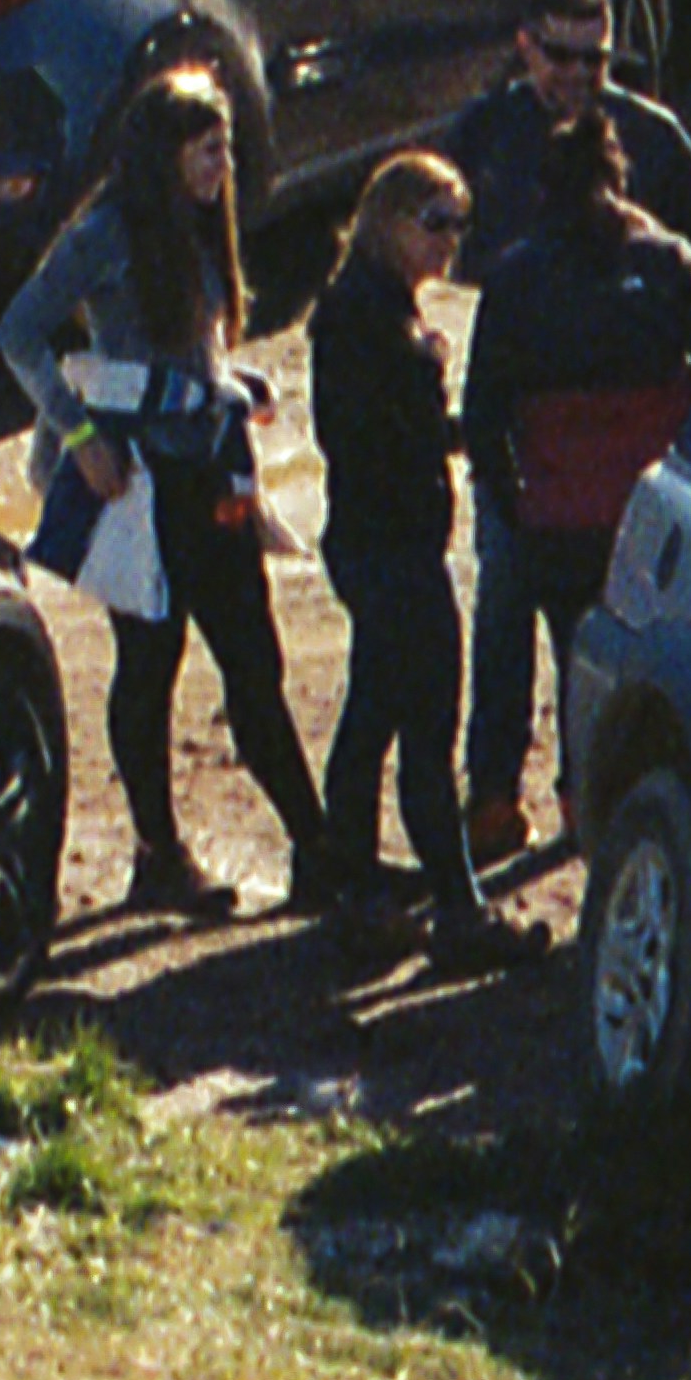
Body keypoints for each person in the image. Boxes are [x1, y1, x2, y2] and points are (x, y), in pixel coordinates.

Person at [0, 46, 342, 918]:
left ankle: (315, 848)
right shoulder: (106, 233)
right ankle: (159, 853)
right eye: (205, 150)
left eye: (223, 149)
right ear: (161, 154)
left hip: (208, 477)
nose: (222, 167)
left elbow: (200, 345)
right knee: (148, 665)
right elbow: (19, 332)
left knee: (252, 661)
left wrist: (228, 391)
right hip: (140, 489)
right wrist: (77, 437)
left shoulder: (200, 224)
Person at [442, 0, 691, 868]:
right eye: (558, 55)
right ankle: (491, 792)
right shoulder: (480, 138)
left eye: (594, 59)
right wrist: (492, 465)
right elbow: (439, 269)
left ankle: (577, 793)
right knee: (504, 617)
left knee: (594, 636)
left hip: (626, 464)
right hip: (524, 435)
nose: (576, 75)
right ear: (523, 48)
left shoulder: (658, 144)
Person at [303, 153, 500, 949]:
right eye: (434, 224)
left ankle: (350, 878)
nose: (448, 244)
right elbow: (359, 435)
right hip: (388, 549)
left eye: (458, 225)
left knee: (376, 712)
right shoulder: (362, 317)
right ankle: (454, 908)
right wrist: (431, 386)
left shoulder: (374, 308)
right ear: (387, 222)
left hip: (379, 543)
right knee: (422, 722)